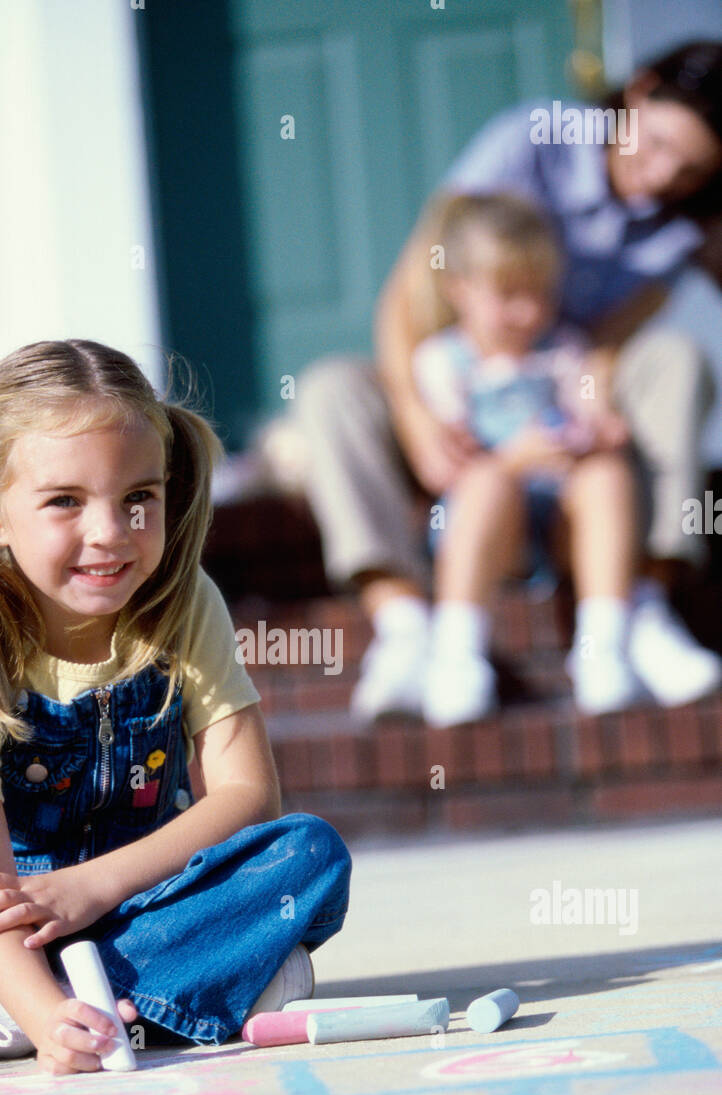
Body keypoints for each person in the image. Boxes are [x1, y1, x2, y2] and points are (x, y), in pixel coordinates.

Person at [0, 339, 351, 1074]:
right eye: (64, 502)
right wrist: (45, 1017)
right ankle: (67, 1011)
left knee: (306, 854)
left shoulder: (184, 608)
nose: (110, 535)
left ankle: (4, 1012)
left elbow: (250, 795)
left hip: (135, 908)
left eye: (137, 499)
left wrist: (90, 887)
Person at [280, 40, 722, 720]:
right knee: (328, 390)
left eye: (689, 171)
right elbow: (409, 291)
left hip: (565, 413)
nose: (661, 177)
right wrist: (416, 415)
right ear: (639, 90)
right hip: (455, 399)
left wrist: (591, 410)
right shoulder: (529, 142)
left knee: (678, 362)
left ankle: (643, 606)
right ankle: (405, 626)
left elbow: (603, 348)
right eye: (656, 145)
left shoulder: (691, 221)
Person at [413, 191, 643, 724]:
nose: (529, 311)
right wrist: (518, 459)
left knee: (606, 475)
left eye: (540, 295)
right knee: (489, 480)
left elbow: (590, 408)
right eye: (510, 294)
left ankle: (604, 648)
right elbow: (454, 465)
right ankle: (456, 656)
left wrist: (596, 430)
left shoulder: (563, 351)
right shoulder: (442, 362)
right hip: (489, 532)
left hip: (562, 523)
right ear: (459, 289)